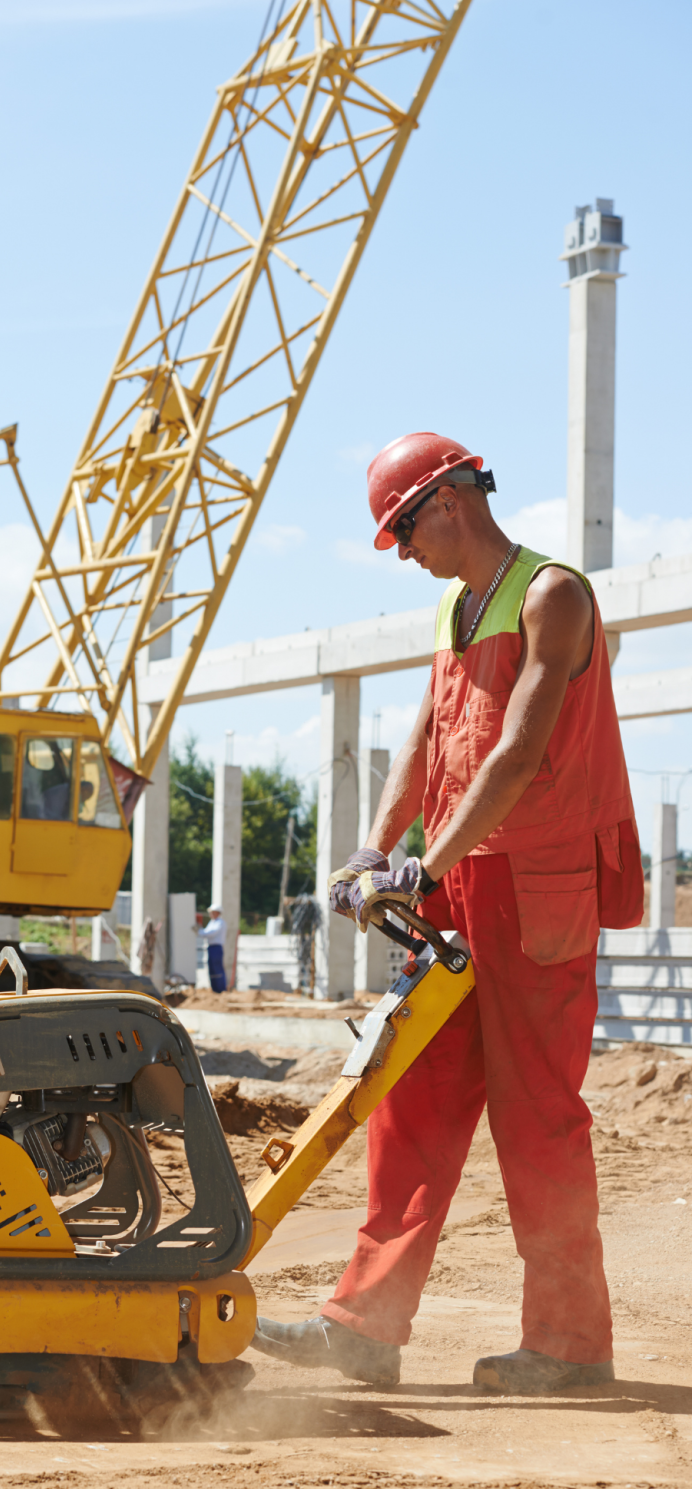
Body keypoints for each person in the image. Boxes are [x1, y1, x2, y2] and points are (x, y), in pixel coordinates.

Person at [250, 432, 643, 1395]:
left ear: (448, 503)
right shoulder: (453, 608)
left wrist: (422, 866)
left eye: (402, 531)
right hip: (462, 883)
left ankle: (569, 1346)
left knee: (537, 1115)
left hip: (536, 886)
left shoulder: (551, 594)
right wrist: (371, 851)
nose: (402, 552)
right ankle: (363, 1326)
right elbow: (425, 741)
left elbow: (516, 751)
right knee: (412, 1098)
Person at [197, 904, 228, 993]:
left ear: (218, 913)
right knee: (212, 968)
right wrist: (200, 931)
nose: (211, 914)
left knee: (217, 968)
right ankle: (214, 989)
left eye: (212, 912)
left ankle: (221, 989)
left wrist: (199, 931)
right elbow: (206, 933)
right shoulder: (212, 922)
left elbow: (210, 933)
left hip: (217, 948)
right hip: (211, 947)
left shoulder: (220, 922)